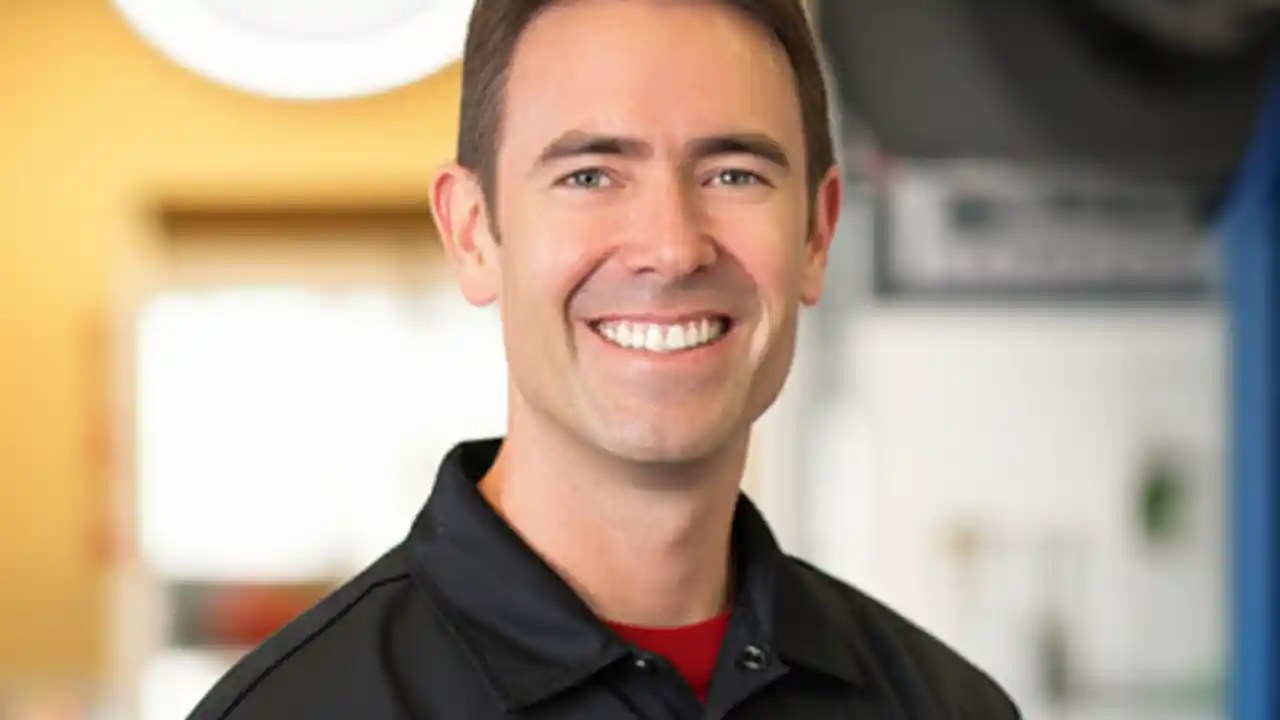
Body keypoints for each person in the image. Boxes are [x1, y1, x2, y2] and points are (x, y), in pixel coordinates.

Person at [189, 0, 1020, 717]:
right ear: (473, 232)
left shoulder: (945, 707)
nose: (671, 247)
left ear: (816, 233)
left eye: (734, 175)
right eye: (590, 176)